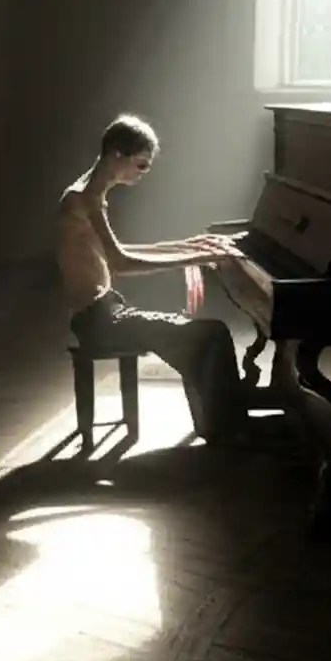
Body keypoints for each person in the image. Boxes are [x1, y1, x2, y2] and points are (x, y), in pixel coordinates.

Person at [56, 114, 246, 445]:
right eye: (141, 165)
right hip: (98, 320)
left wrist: (188, 246)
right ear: (117, 155)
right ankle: (229, 428)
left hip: (104, 313)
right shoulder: (86, 198)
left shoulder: (85, 193)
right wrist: (197, 258)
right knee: (213, 333)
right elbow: (121, 263)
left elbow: (114, 252)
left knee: (203, 335)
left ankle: (220, 423)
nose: (143, 173)